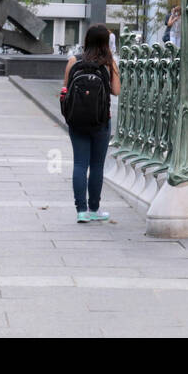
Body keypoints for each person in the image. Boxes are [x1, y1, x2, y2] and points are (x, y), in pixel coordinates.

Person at [62, 24, 120, 224]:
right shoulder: (108, 63)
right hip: (101, 121)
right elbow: (116, 90)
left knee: (79, 163)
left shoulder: (73, 60)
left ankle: (81, 211)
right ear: (105, 43)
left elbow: (66, 88)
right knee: (97, 166)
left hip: (76, 120)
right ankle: (94, 209)